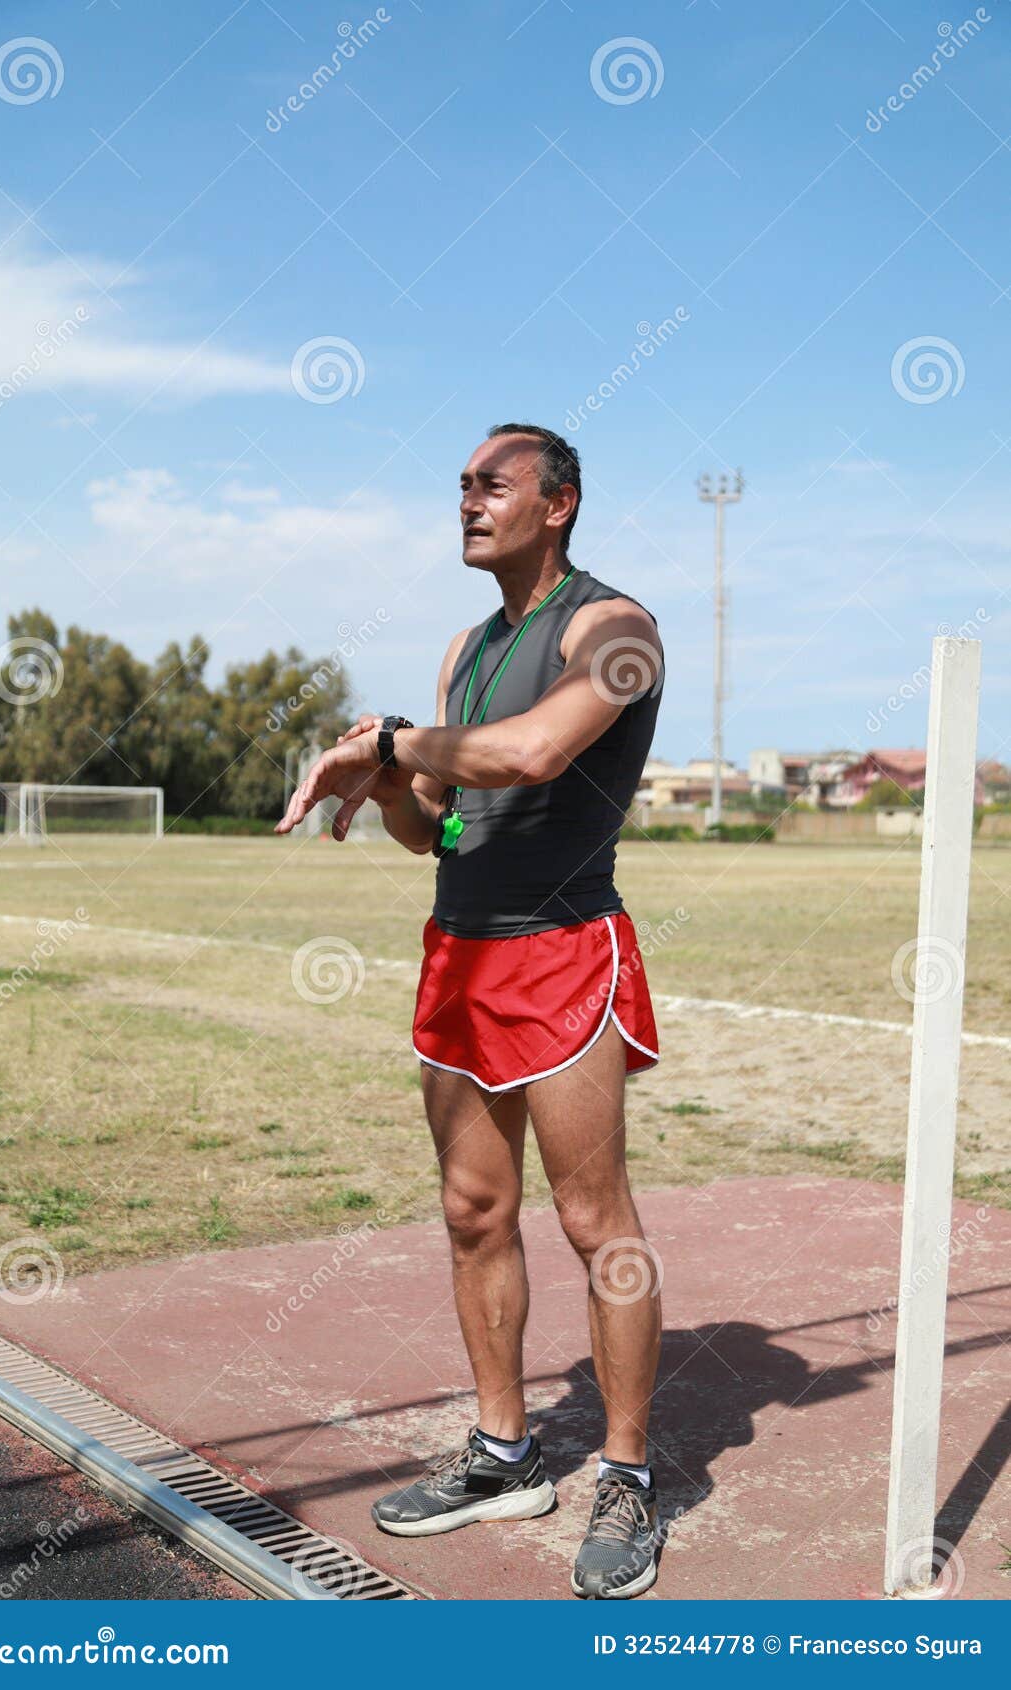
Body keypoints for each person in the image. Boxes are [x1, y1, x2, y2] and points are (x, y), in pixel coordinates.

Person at [277, 423, 666, 1599]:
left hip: (562, 947)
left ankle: (631, 1477)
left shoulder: (617, 631)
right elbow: (435, 819)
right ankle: (505, 1452)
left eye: (491, 484)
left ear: (559, 503)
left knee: (595, 1219)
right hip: (460, 954)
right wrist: (389, 776)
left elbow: (535, 754)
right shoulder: (464, 646)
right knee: (471, 1210)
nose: (466, 502)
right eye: (458, 486)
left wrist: (401, 741)